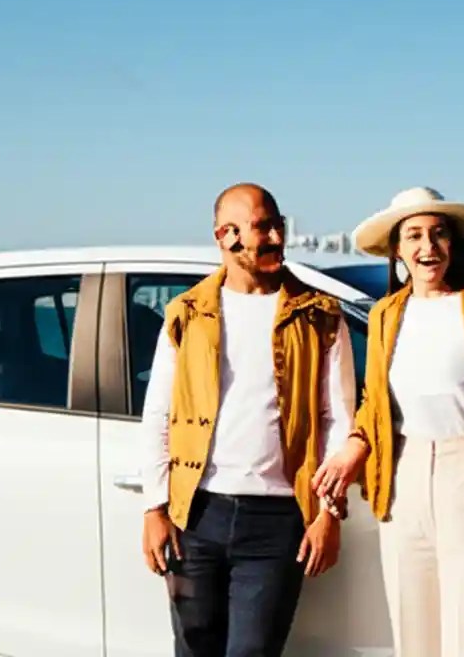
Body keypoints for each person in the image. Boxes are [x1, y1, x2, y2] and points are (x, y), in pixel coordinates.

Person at [311, 186, 464, 657]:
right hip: (402, 477)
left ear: (454, 244)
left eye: (438, 234)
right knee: (413, 634)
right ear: (398, 249)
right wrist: (352, 449)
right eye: (415, 236)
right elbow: (376, 404)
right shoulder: (385, 316)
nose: (428, 247)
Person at [139, 182, 357, 657]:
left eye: (277, 225)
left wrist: (328, 513)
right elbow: (159, 413)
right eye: (261, 228)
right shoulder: (187, 314)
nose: (276, 237)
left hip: (277, 521)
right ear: (226, 236)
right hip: (195, 515)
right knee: (193, 651)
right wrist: (155, 508)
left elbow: (338, 417)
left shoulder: (320, 315)